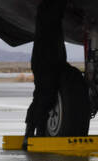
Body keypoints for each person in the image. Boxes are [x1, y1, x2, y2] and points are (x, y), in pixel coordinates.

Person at [24, 0, 70, 147]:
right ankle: (32, 133)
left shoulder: (47, 18)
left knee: (43, 96)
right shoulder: (48, 17)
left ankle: (34, 132)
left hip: (47, 60)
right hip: (46, 61)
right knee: (44, 97)